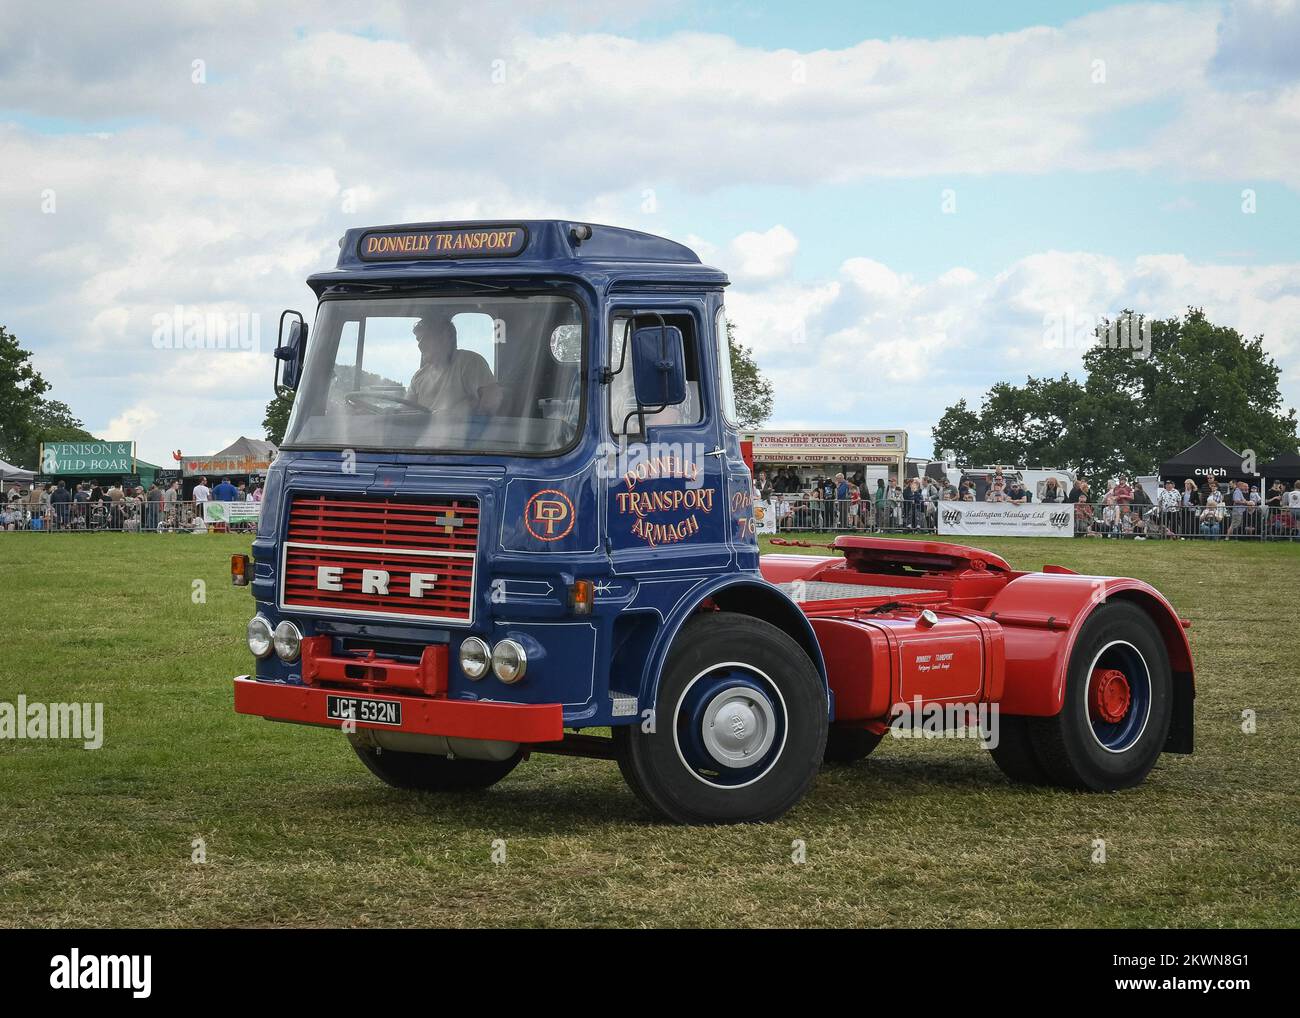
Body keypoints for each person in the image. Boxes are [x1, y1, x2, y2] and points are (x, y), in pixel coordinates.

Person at [407, 317, 503, 416]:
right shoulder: (418, 376)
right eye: (418, 340)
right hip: (422, 431)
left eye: (426, 338)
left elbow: (491, 399)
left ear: (445, 338)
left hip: (461, 430)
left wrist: (454, 415)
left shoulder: (470, 362)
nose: (420, 345)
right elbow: (406, 410)